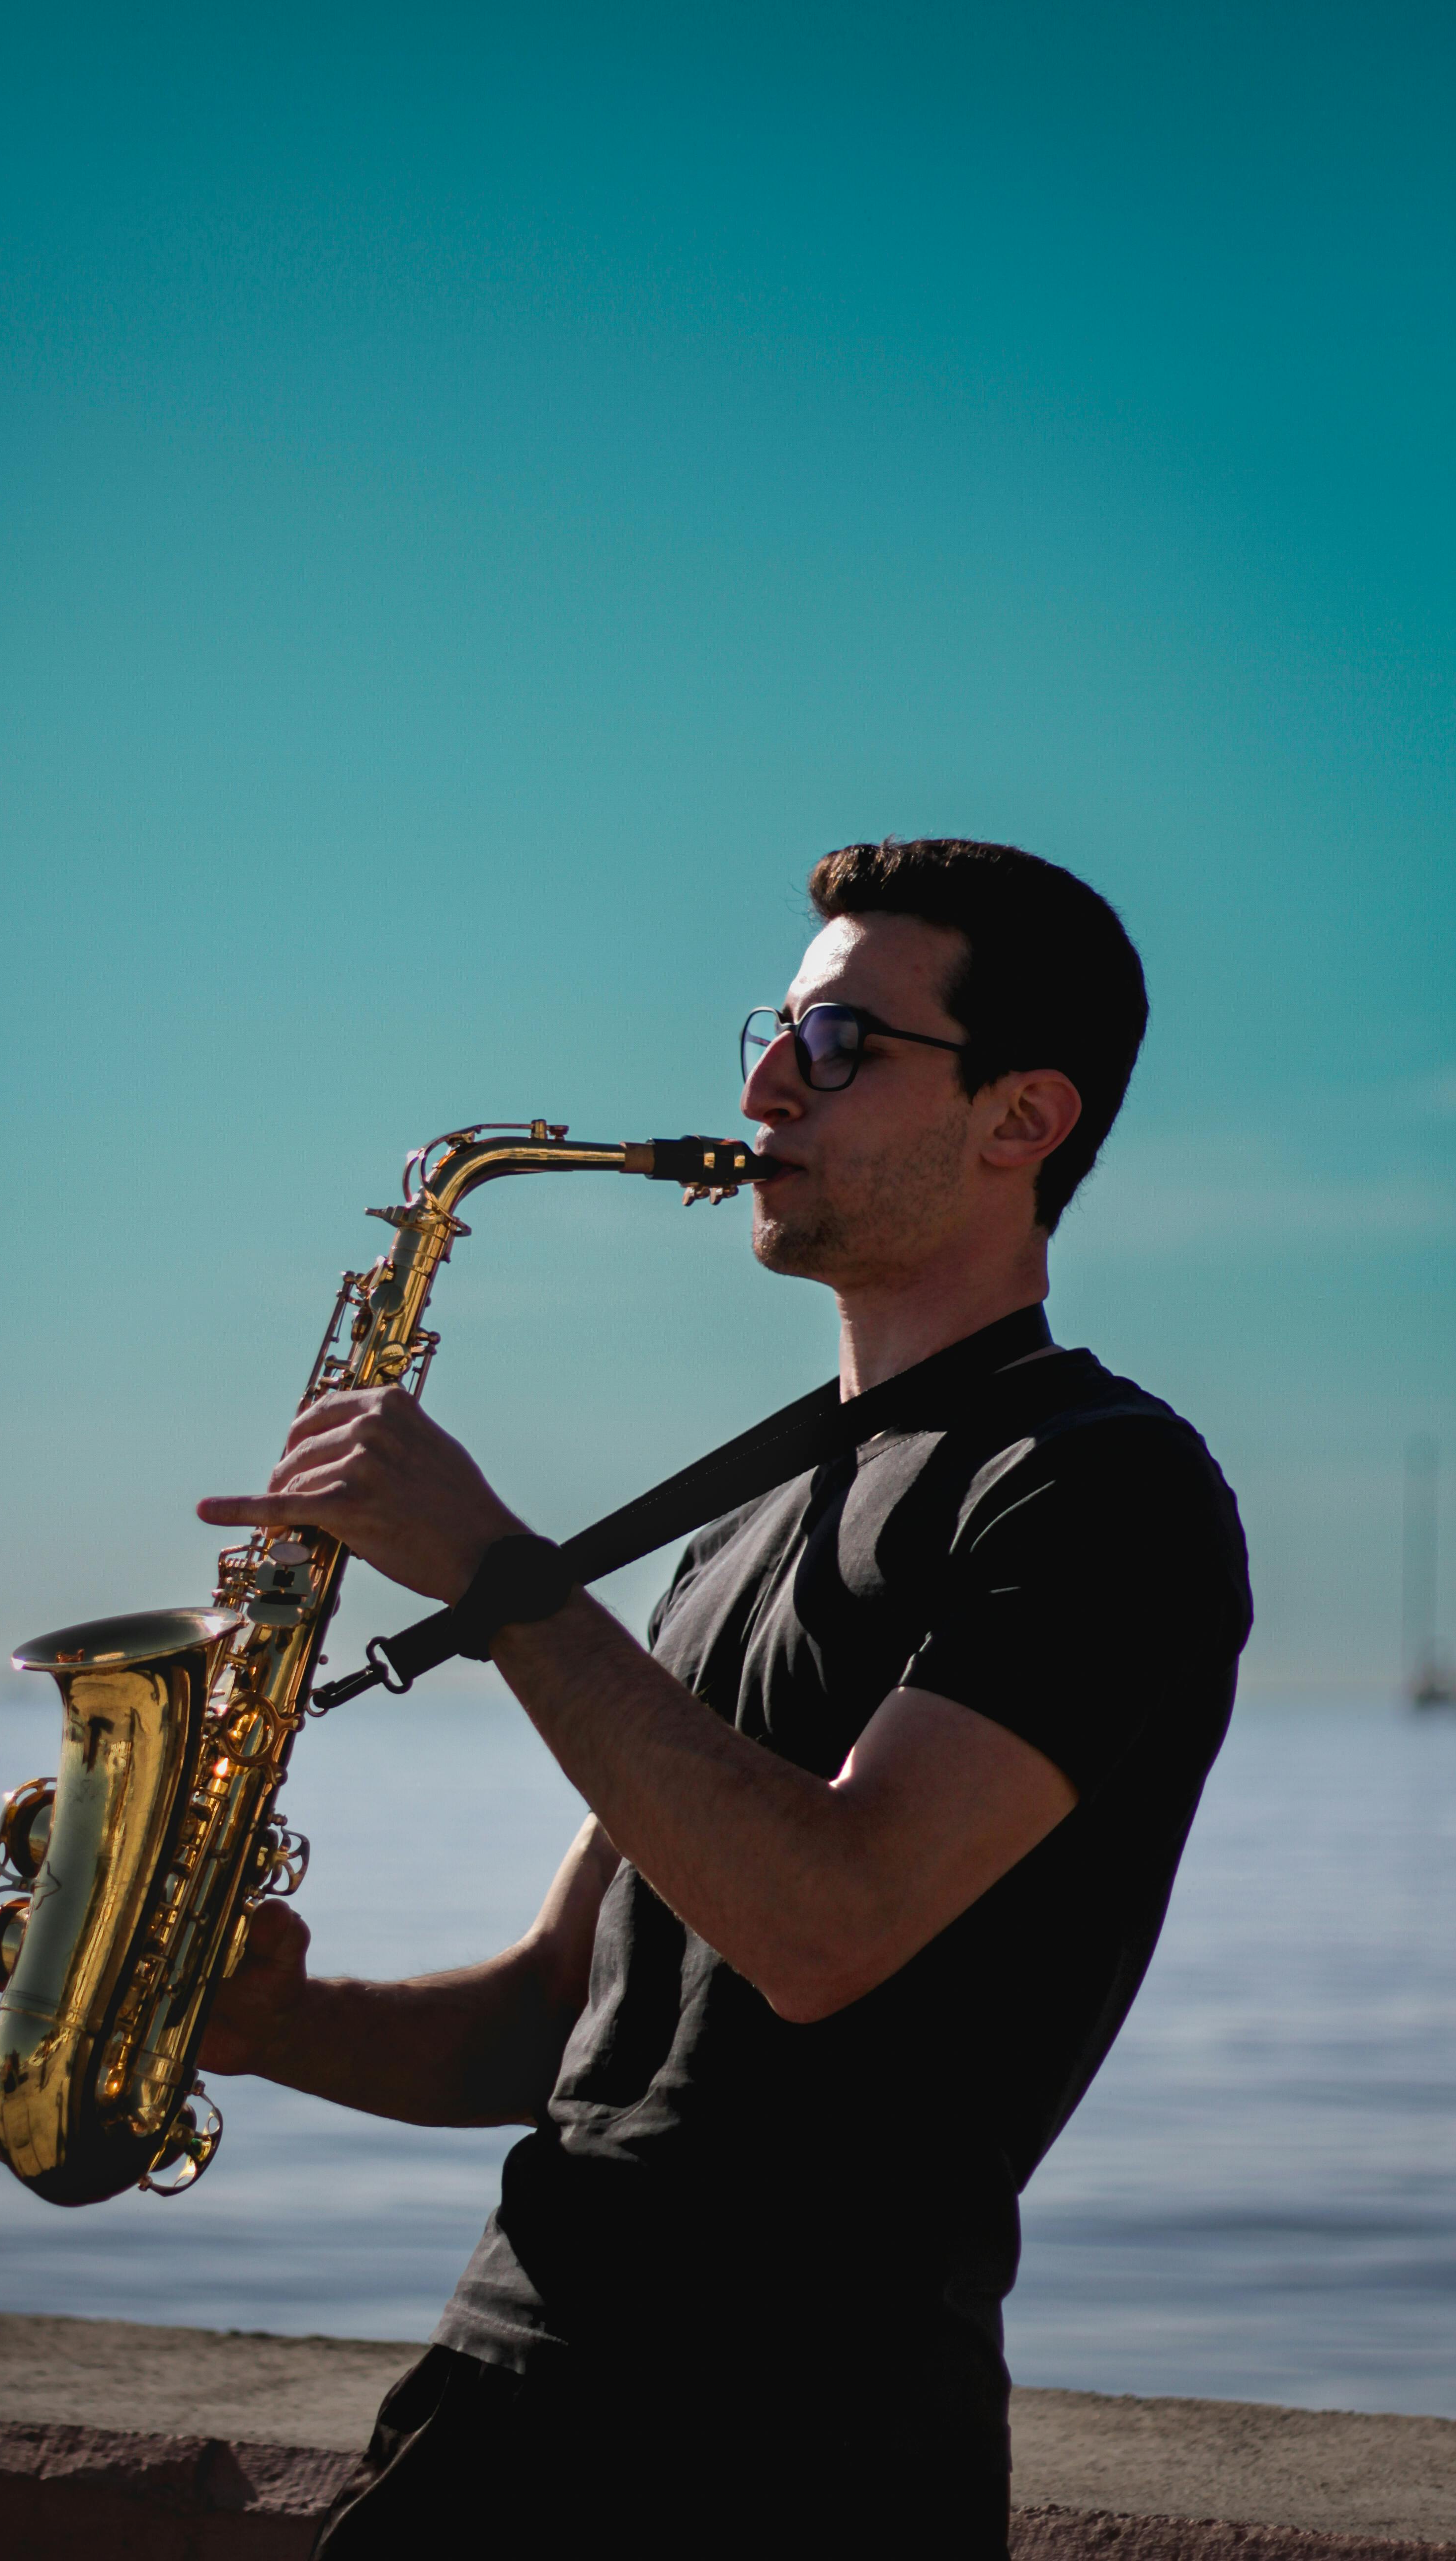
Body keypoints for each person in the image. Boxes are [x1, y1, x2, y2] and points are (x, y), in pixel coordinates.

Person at [197, 837, 1252, 2560]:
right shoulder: (746, 1519)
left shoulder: (1098, 1489)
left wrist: (498, 1575)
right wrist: (269, 2027)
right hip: (504, 2390)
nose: (766, 1087)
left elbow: (829, 1923)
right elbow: (564, 2015)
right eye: (775, 1035)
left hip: (798, 2448)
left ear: (1022, 1117)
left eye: (840, 1045)